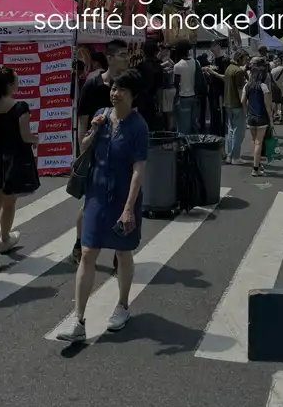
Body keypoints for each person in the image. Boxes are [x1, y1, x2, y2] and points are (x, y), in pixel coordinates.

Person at [56, 69, 148, 342]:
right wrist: (94, 131)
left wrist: (129, 208)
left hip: (123, 198)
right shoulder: (102, 115)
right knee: (88, 253)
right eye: (113, 88)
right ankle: (78, 320)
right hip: (96, 194)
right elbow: (85, 149)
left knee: (122, 252)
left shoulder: (138, 126)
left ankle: (122, 305)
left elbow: (138, 170)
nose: (115, 93)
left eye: (122, 90)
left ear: (134, 96)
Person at [71, 38, 130, 266]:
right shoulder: (92, 83)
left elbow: (133, 115)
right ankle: (79, 243)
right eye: (122, 54)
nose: (126, 58)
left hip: (121, 153)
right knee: (90, 204)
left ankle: (119, 252)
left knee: (121, 201)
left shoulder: (130, 83)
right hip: (96, 153)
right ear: (110, 57)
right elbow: (83, 118)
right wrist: (82, 150)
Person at [0, 67, 39, 272]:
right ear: (9, 85)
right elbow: (25, 136)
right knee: (9, 203)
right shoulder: (20, 106)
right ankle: (4, 238)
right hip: (13, 161)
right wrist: (36, 139)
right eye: (16, 79)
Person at [241, 61, 272, 176]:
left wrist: (246, 112)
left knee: (255, 142)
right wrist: (271, 120)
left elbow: (242, 101)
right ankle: (255, 169)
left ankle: (257, 165)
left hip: (251, 117)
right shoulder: (263, 86)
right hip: (261, 117)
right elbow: (267, 105)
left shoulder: (247, 86)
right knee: (259, 143)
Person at [223, 50, 248, 163]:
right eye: (245, 59)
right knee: (238, 132)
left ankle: (229, 155)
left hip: (228, 103)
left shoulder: (229, 68)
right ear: (240, 58)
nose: (246, 61)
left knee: (230, 130)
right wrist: (244, 106)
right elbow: (240, 91)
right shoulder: (238, 71)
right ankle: (235, 156)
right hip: (236, 104)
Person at [136, 40, 164, 132]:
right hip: (153, 100)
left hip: (141, 100)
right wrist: (160, 106)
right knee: (153, 127)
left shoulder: (140, 66)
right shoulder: (158, 67)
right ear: (156, 52)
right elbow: (159, 89)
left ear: (144, 52)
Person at [173, 40, 200, 134]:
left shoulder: (177, 66)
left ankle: (184, 145)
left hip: (183, 98)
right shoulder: (195, 62)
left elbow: (176, 84)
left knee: (183, 127)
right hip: (194, 97)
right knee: (193, 124)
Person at [158, 43, 176, 128]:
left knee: (168, 112)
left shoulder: (168, 60)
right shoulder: (162, 59)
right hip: (164, 88)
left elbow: (171, 68)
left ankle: (169, 130)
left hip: (168, 88)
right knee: (165, 112)